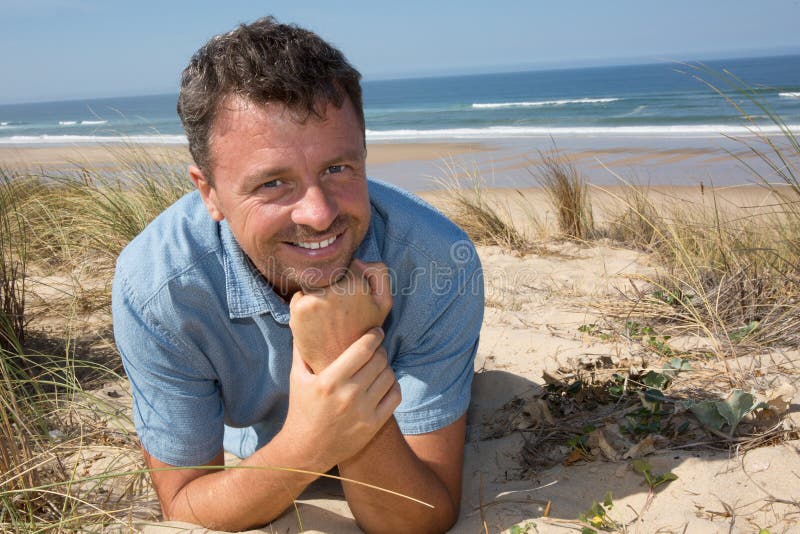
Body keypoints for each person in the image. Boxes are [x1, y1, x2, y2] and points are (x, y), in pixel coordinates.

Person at [112, 16, 483, 533]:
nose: (319, 213)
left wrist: (338, 351)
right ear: (209, 192)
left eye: (338, 168)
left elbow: (421, 519)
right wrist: (313, 439)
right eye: (273, 183)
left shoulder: (440, 262)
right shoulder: (155, 287)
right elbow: (185, 506)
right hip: (255, 449)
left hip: (402, 442)